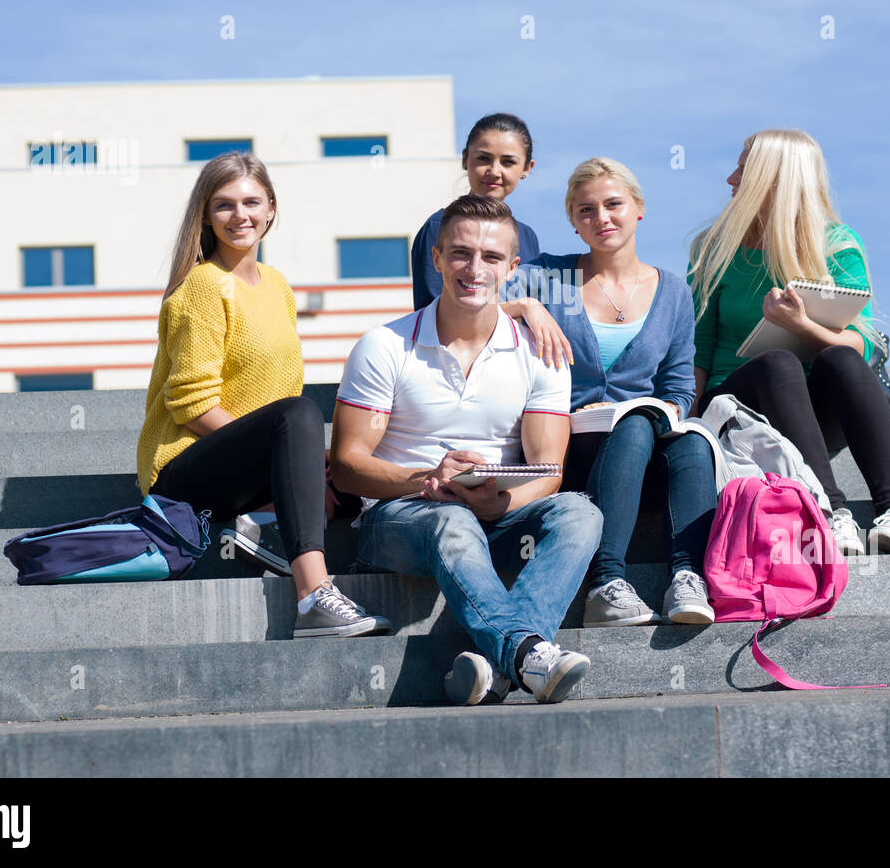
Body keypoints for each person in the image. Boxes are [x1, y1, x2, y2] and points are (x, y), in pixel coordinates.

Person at [331, 194, 602, 705]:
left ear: (513, 268)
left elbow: (549, 472)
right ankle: (527, 652)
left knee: (580, 513)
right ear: (436, 258)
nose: (474, 268)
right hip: (400, 518)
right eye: (459, 253)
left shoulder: (540, 354)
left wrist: (502, 502)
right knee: (450, 521)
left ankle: (503, 661)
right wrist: (426, 480)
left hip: (494, 514)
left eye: (491, 257)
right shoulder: (385, 345)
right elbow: (346, 467)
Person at [135, 152, 389, 637]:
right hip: (186, 471)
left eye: (252, 202)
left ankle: (263, 521)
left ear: (271, 208)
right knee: (299, 416)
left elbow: (279, 393)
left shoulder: (277, 287)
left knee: (350, 476)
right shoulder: (204, 286)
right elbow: (191, 405)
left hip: (249, 464)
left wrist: (310, 461)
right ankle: (314, 596)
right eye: (224, 205)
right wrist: (284, 454)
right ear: (206, 216)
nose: (240, 215)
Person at [503, 158, 717, 626]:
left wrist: (665, 412)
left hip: (640, 443)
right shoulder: (551, 280)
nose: (601, 218)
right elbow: (467, 305)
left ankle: (687, 576)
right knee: (634, 423)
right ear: (575, 224)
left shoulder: (674, 292)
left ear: (638, 209)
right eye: (586, 210)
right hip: (572, 444)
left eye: (613, 204)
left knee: (694, 441)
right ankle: (605, 582)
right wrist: (524, 307)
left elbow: (680, 386)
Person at [688, 129, 890, 556]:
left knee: (841, 360)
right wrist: (688, 426)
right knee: (778, 362)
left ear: (770, 179)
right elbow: (697, 348)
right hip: (741, 407)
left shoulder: (836, 244)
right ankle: (832, 511)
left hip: (814, 411)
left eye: (742, 167)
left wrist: (799, 324)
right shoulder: (715, 248)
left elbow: (860, 345)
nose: (730, 179)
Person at [410, 113, 541, 310]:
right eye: (483, 158)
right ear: (465, 159)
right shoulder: (439, 227)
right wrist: (523, 307)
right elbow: (439, 314)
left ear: (526, 168)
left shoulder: (527, 237)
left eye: (508, 162)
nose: (494, 171)